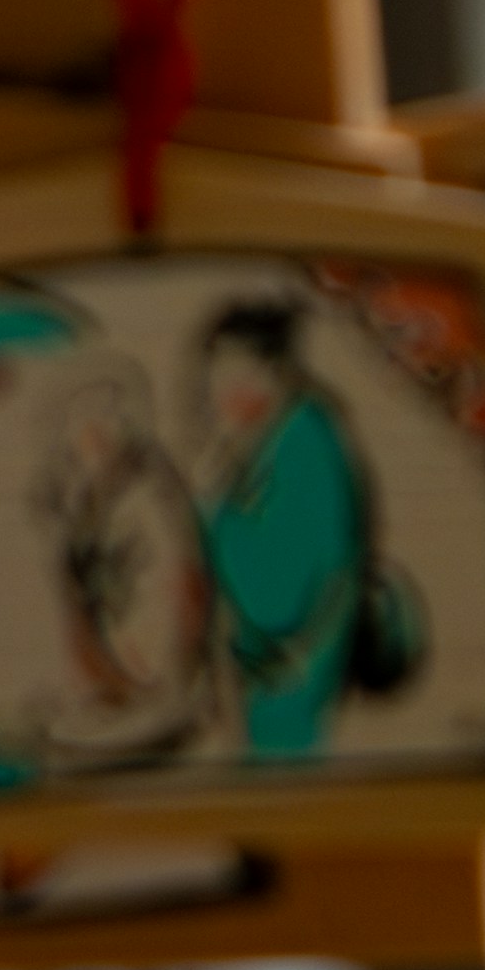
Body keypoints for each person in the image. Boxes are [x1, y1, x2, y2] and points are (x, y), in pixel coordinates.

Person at [193, 296, 383, 763]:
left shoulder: (306, 442)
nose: (220, 389)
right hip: (256, 664)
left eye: (236, 372)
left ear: (274, 370)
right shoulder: (252, 443)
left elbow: (324, 572)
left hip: (290, 668)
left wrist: (303, 655)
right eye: (216, 372)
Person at [34, 357, 208, 765]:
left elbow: (164, 581)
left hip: (151, 644)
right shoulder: (88, 493)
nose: (94, 431)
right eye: (82, 420)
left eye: (107, 417)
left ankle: (141, 698)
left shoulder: (147, 492)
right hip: (115, 648)